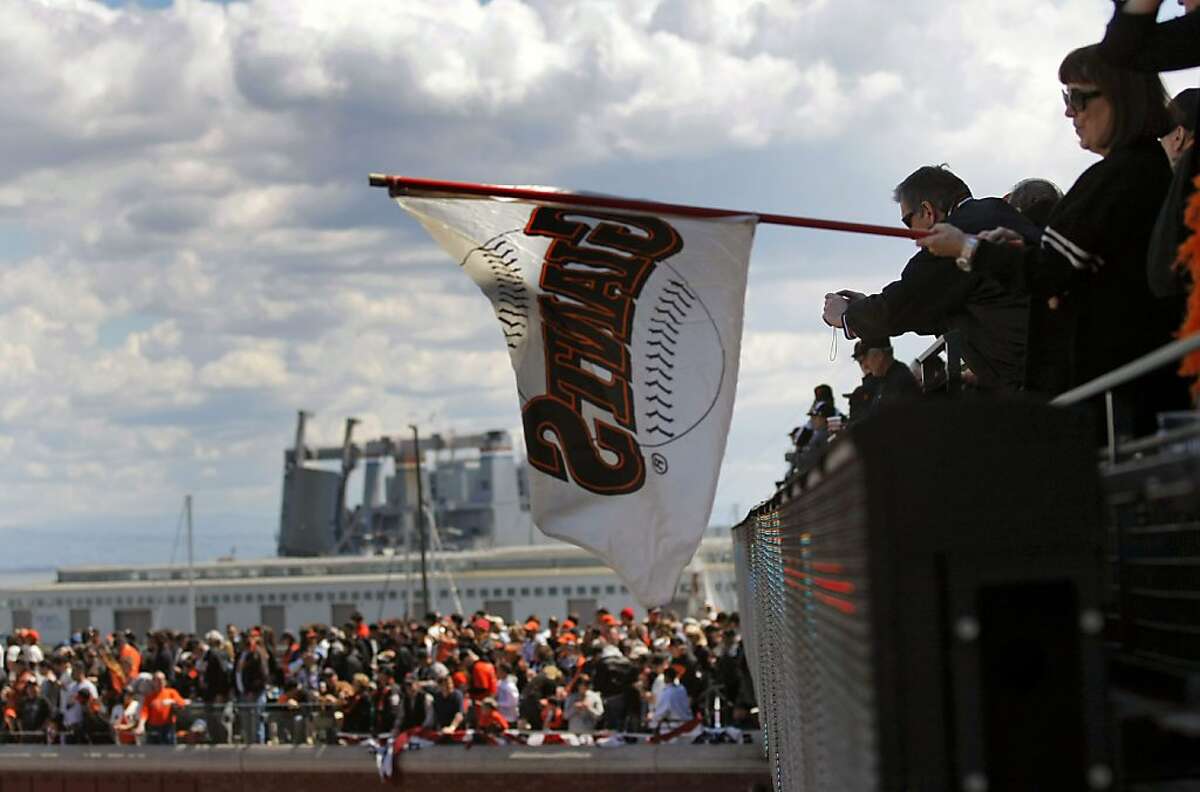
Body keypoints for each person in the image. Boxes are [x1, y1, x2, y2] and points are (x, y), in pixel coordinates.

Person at [919, 45, 1189, 438]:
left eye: (1077, 98)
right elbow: (1079, 260)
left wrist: (967, 249)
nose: (1069, 112)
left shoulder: (1122, 176)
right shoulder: (1138, 168)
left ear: (1118, 98)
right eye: (1067, 99)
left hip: (1115, 403)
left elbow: (1052, 273)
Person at [823, 165, 1042, 392]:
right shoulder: (998, 213)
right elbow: (931, 309)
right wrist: (865, 305)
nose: (911, 236)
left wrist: (846, 317)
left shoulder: (955, 237)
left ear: (927, 212)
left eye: (909, 222)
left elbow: (902, 305)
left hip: (1031, 382)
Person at [855, 338, 920, 414]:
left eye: (866, 358)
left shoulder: (898, 380)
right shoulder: (888, 379)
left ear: (879, 356)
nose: (866, 365)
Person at [141, 671, 188, 745]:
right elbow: (144, 712)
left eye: (163, 679)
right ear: (153, 682)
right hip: (153, 727)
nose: (161, 682)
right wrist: (141, 725)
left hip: (168, 727)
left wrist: (172, 701)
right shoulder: (149, 697)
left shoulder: (171, 692)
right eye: (158, 680)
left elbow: (182, 704)